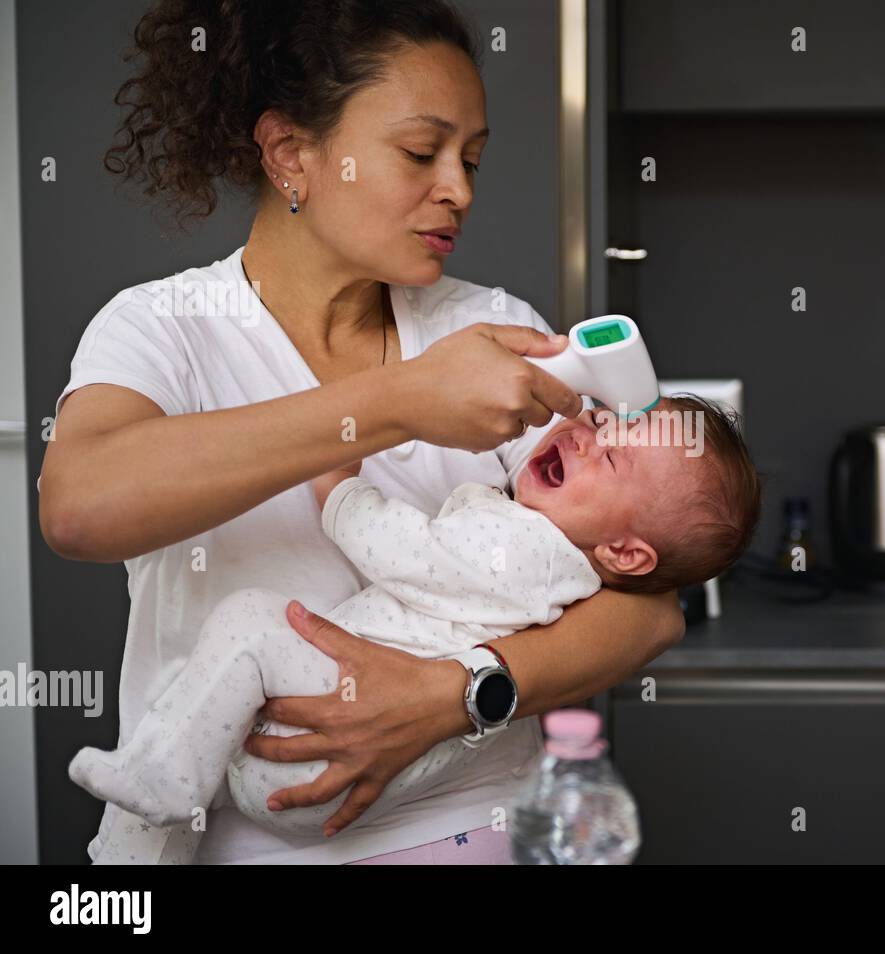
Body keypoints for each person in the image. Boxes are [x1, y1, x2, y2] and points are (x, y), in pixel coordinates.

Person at [39, 0, 686, 864]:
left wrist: (457, 693)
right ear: (291, 154)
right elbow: (81, 507)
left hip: (472, 824)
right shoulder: (164, 328)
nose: (457, 188)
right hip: (239, 838)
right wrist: (400, 401)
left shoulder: (495, 329)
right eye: (421, 152)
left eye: (472, 160)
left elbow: (648, 613)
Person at [67, 398, 762, 863]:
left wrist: (340, 492)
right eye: (601, 422)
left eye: (610, 457)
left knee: (247, 624)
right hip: (313, 776)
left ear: (626, 555)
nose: (582, 434)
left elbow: (410, 556)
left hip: (327, 752)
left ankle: (152, 802)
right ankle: (143, 818)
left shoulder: (533, 552)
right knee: (192, 732)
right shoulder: (561, 559)